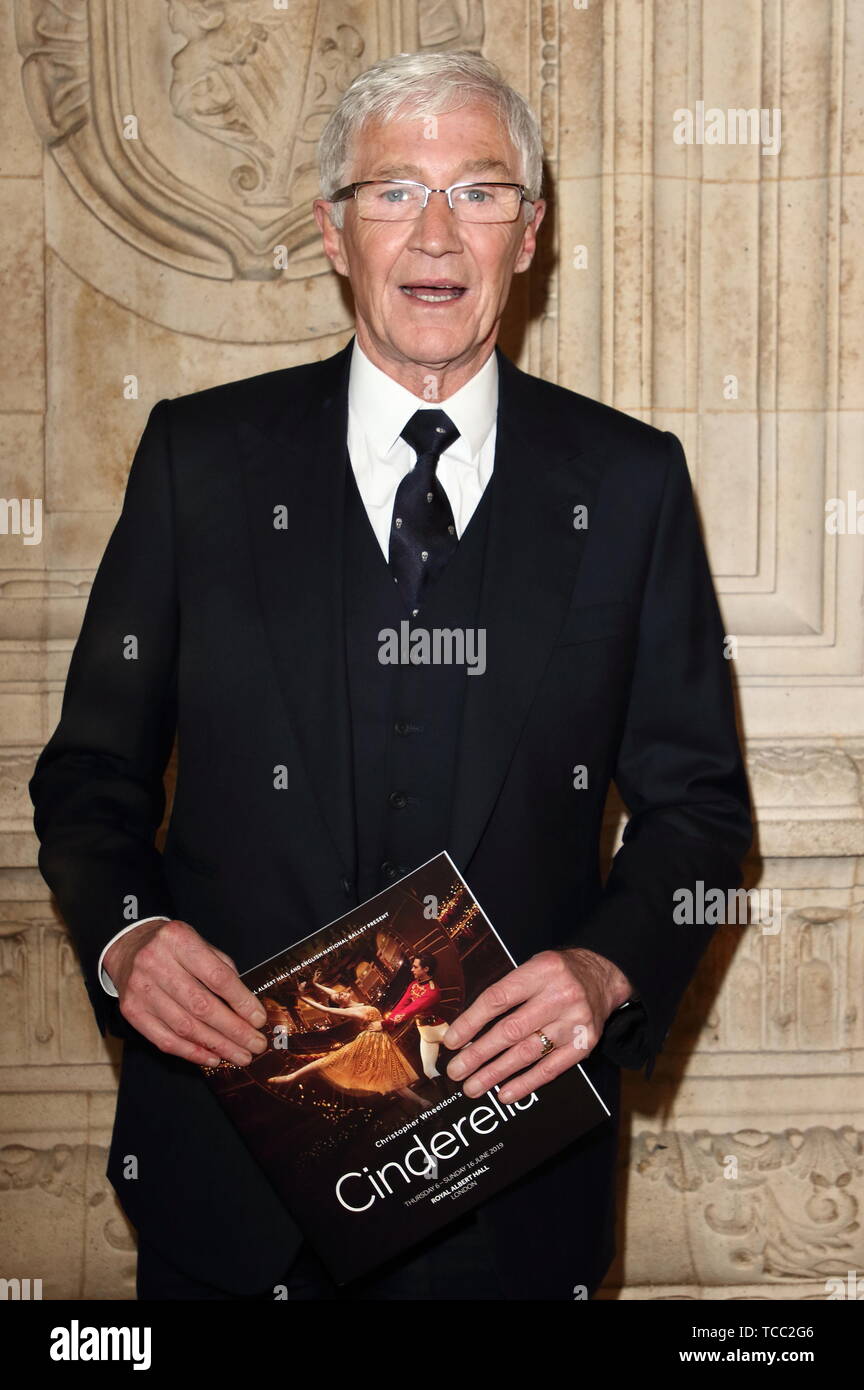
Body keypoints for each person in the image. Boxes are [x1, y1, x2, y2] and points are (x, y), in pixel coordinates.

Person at [29, 50, 751, 1300]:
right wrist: (127, 941)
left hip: (513, 1176)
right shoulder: (197, 464)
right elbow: (90, 778)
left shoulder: (630, 483)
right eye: (390, 192)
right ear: (332, 231)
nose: (435, 233)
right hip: (227, 1173)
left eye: (479, 193)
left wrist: (609, 966)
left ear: (528, 235)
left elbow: (700, 810)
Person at [268, 990, 430, 1109]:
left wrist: (315, 984)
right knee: (328, 1060)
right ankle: (291, 1077)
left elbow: (333, 993)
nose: (342, 994)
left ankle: (422, 1102)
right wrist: (303, 996)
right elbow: (326, 1009)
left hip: (381, 1041)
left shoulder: (360, 1005)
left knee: (392, 1082)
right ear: (342, 1003)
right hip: (369, 1042)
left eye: (342, 993)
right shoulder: (351, 1010)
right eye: (340, 997)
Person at [383, 954, 448, 1079]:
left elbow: (411, 1009)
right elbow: (402, 1005)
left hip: (437, 1029)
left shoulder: (432, 991)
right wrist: (387, 1021)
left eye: (415, 967)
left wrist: (386, 1024)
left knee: (463, 1044)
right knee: (429, 1070)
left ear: (426, 969)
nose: (412, 969)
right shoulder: (413, 985)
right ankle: (450, 1098)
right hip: (425, 1033)